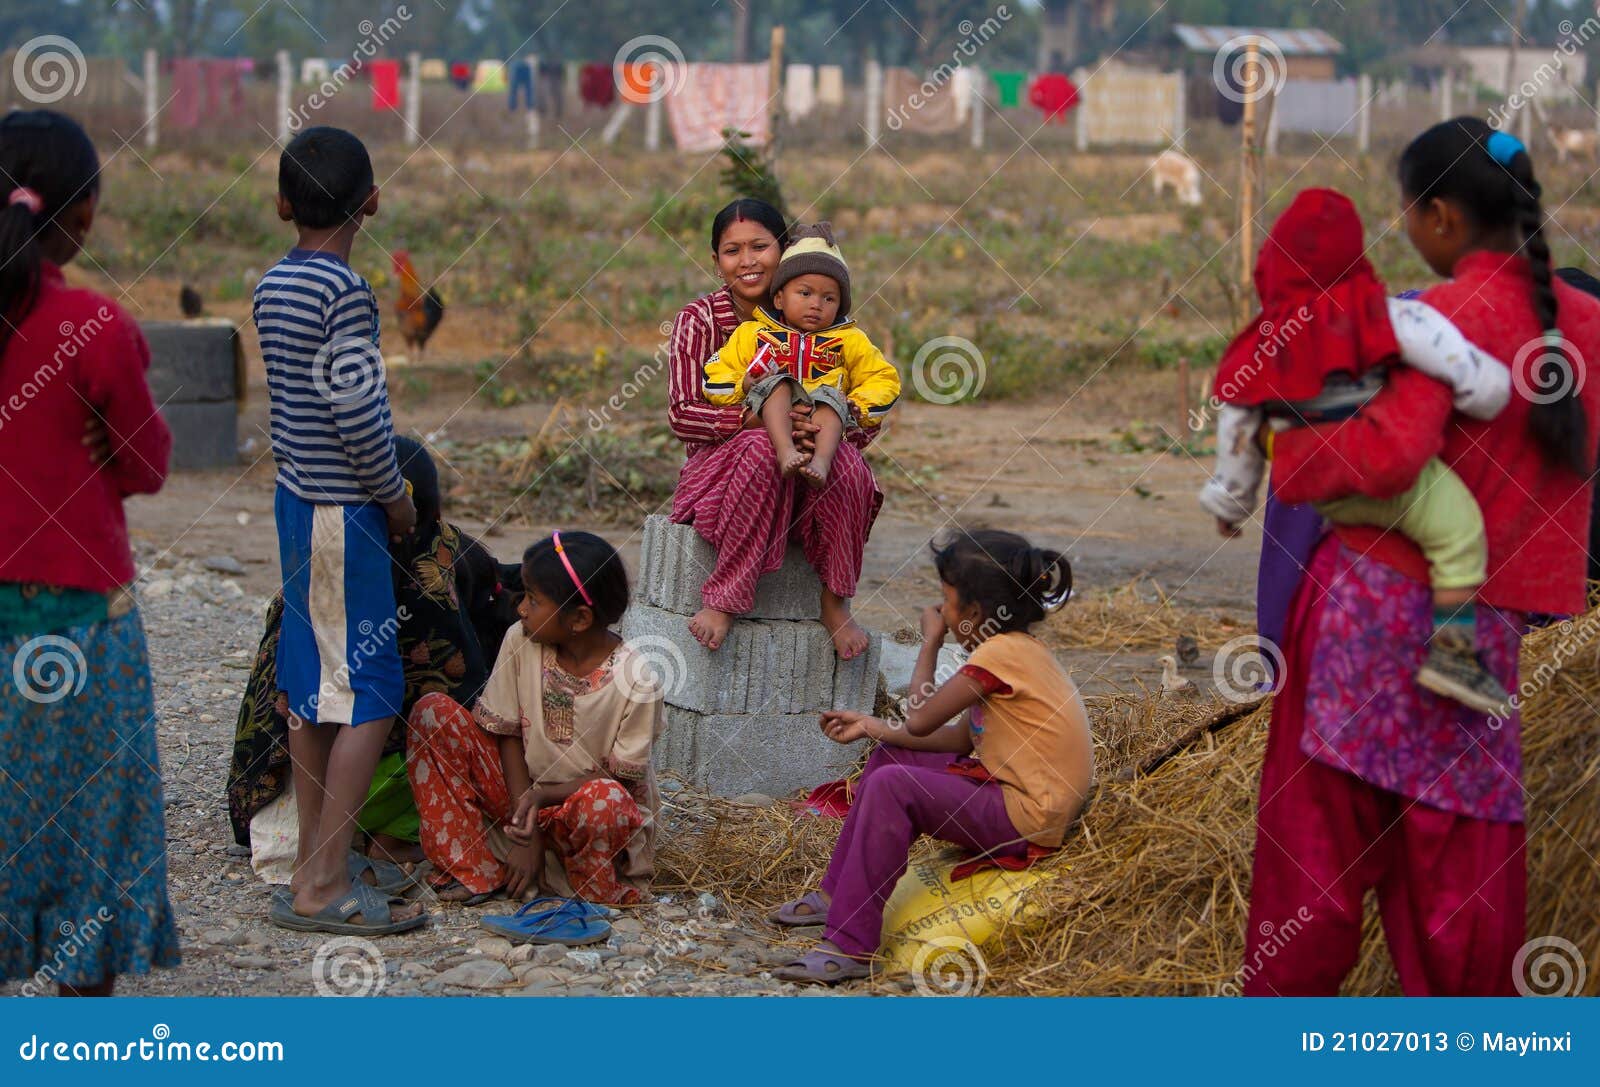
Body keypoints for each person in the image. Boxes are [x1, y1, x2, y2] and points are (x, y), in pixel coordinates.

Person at [1243, 120, 1600, 996]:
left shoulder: (1423, 324)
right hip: (1478, 639)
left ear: (1440, 215)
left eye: (1406, 212)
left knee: (1312, 885)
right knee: (1463, 894)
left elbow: (1327, 466)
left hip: (1361, 618)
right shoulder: (1588, 326)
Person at [1200, 188, 1514, 713]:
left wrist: (1228, 504)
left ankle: (1277, 684)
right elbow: (1462, 367)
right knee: (1459, 532)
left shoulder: (1265, 344)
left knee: (1291, 568)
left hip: (1317, 495)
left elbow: (1237, 427)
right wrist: (1487, 394)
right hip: (1383, 480)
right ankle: (1455, 656)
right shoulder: (1392, 317)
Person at [0, 110, 179, 995]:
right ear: (84, 215)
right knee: (85, 831)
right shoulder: (91, 327)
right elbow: (145, 466)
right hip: (81, 625)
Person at [768, 529, 1090, 984]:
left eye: (946, 601)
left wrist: (931, 642)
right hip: (1010, 792)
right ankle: (837, 895)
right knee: (893, 756)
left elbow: (919, 718)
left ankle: (852, 944)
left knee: (891, 785)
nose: (939, 611)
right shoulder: (1016, 650)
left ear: (974, 613)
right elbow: (963, 738)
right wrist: (876, 727)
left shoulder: (998, 656)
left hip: (1026, 817)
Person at [256, 125, 426, 936]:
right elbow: (358, 414)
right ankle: (322, 880)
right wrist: (394, 497)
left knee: (314, 685)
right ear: (372, 202)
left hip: (297, 502)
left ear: (284, 204)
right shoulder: (344, 294)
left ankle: (308, 861)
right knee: (371, 689)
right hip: (341, 511)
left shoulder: (272, 284)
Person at [227, 437, 509, 879]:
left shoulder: (311, 574)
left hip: (284, 790)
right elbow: (467, 690)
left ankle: (315, 852)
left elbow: (276, 700)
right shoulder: (434, 568)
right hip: (375, 787)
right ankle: (377, 846)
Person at [667, 198, 883, 659]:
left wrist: (828, 427)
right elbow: (683, 413)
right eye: (732, 251)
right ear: (716, 260)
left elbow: (867, 391)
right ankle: (726, 597)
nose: (747, 262)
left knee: (848, 465)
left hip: (809, 463)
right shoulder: (700, 320)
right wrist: (763, 419)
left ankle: (836, 599)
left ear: (782, 250)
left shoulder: (816, 308)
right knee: (761, 445)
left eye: (760, 247)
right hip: (725, 474)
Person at [407, 532, 662, 905]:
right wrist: (525, 823)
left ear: (578, 619)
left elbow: (619, 779)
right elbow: (506, 732)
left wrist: (542, 797)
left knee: (603, 799)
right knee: (433, 713)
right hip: (523, 802)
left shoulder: (637, 679)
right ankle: (477, 870)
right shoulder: (520, 640)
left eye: (533, 599)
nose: (521, 608)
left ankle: (586, 885)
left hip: (585, 819)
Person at [701, 222, 900, 487]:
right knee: (776, 384)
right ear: (780, 299)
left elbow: (882, 378)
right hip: (769, 421)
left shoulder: (849, 339)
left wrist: (857, 405)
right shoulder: (754, 334)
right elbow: (716, 374)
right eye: (805, 293)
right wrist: (744, 384)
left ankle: (821, 462)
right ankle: (786, 452)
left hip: (823, 424)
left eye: (829, 298)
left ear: (841, 305)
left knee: (831, 399)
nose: (816, 304)